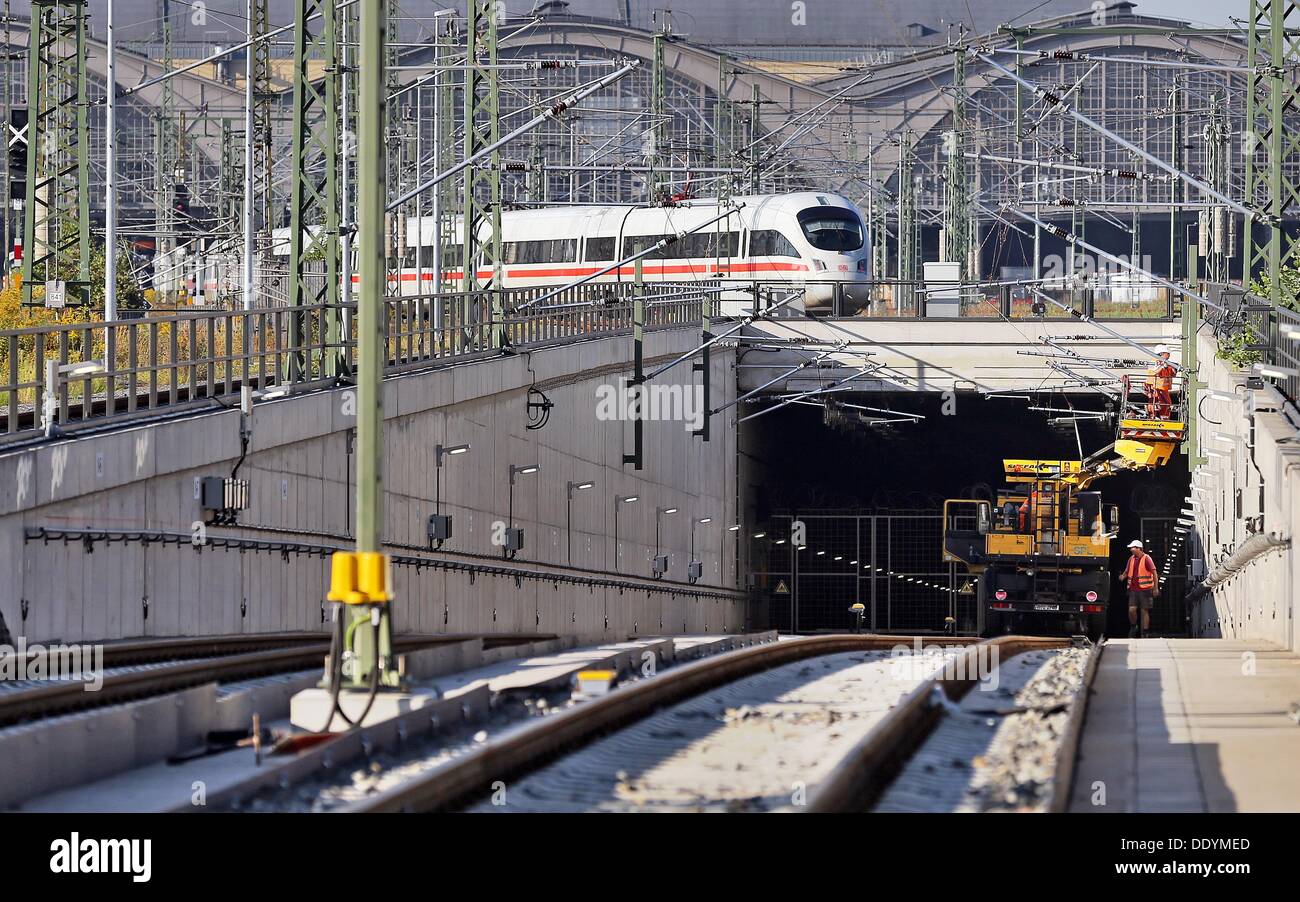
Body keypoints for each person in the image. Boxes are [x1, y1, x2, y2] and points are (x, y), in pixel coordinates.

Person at [1122, 539, 1158, 637]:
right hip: (1133, 589)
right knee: (1131, 610)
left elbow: (1154, 573)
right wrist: (1123, 576)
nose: (1131, 550)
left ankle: (1145, 631)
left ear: (1139, 548)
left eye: (1133, 548)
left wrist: (1155, 588)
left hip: (1145, 589)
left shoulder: (1147, 558)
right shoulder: (1131, 559)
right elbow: (1127, 571)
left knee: (1144, 610)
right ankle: (1134, 626)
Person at [1145, 344, 1176, 419]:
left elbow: (1172, 374)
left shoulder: (1167, 363)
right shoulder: (1154, 362)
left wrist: (1172, 368)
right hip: (1155, 387)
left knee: (1167, 404)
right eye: (1168, 353)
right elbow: (1155, 372)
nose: (1169, 356)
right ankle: (1152, 417)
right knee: (1155, 403)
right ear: (1161, 354)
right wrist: (1162, 366)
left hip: (1163, 388)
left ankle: (1164, 419)